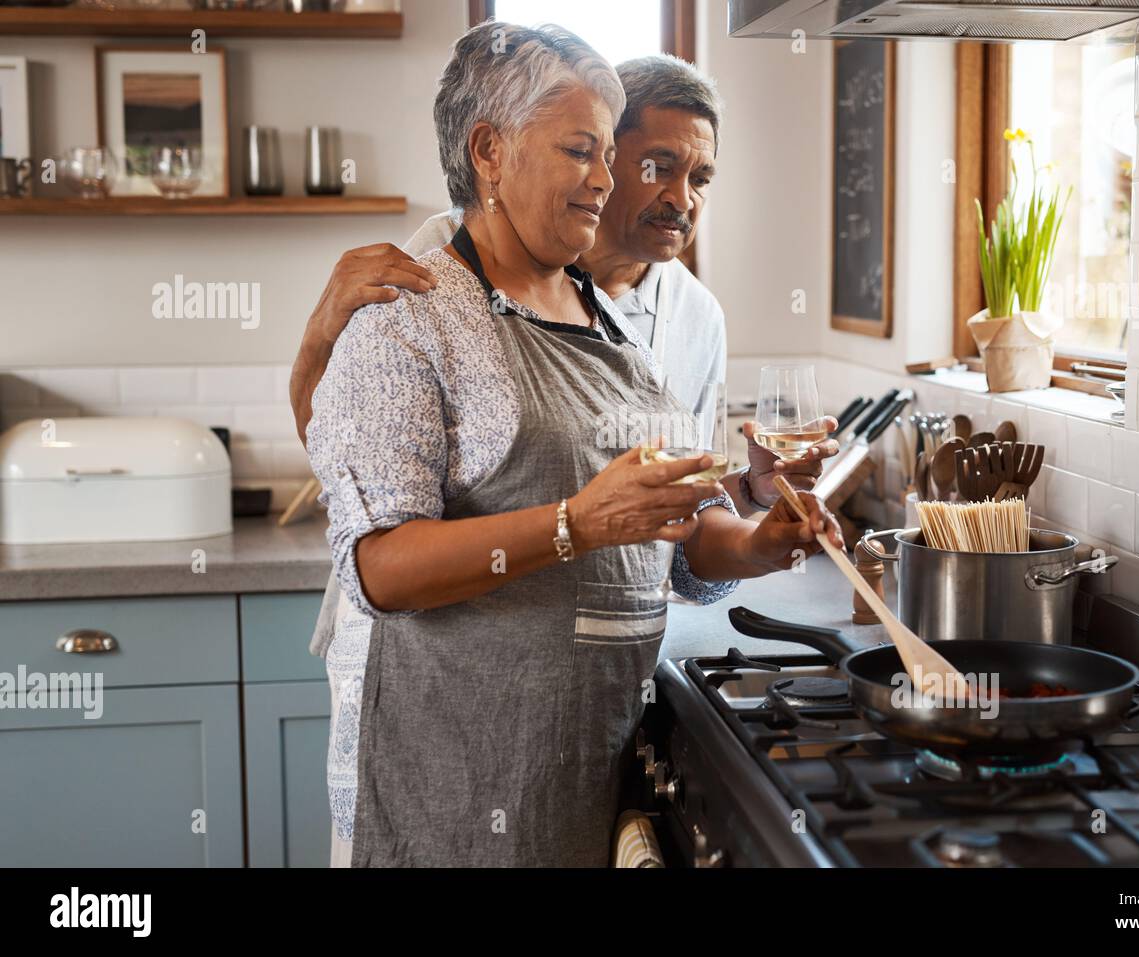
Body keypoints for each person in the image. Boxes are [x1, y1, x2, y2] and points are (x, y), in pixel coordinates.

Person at [306, 21, 843, 867]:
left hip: (589, 750)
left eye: (608, 155)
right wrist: (578, 523)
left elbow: (670, 537)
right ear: (489, 151)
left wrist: (760, 531)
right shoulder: (412, 297)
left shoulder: (606, 314)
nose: (609, 180)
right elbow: (377, 559)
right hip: (459, 756)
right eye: (584, 152)